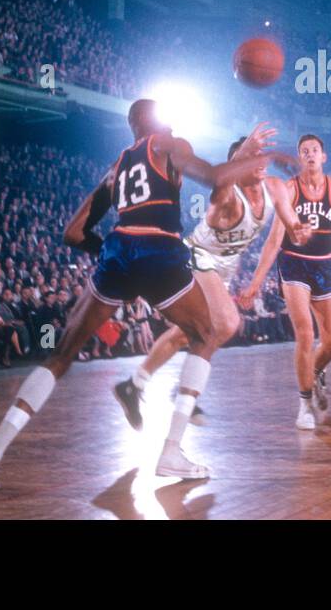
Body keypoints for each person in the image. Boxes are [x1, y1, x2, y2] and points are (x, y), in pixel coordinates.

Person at [0, 99, 294, 491]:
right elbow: (216, 175)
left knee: (60, 356)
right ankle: (170, 452)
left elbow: (72, 232)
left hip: (118, 251)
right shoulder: (169, 143)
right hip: (159, 249)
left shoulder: (116, 166)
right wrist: (268, 155)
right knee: (206, 335)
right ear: (156, 120)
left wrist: (112, 256)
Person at [112, 124, 310, 428]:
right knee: (227, 323)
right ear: (236, 167)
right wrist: (244, 153)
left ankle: (134, 385)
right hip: (196, 256)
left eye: (260, 158)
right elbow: (219, 181)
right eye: (248, 159)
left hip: (224, 269)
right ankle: (184, 393)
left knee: (186, 334)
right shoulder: (226, 197)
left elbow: (294, 231)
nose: (258, 163)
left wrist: (301, 231)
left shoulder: (276, 188)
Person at [240, 134, 331, 430]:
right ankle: (305, 401)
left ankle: (315, 371)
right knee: (306, 335)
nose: (309, 154)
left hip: (324, 266)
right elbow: (273, 242)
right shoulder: (288, 189)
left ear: (324, 157)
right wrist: (256, 282)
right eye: (304, 151)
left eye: (314, 150)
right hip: (294, 265)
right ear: (299, 158)